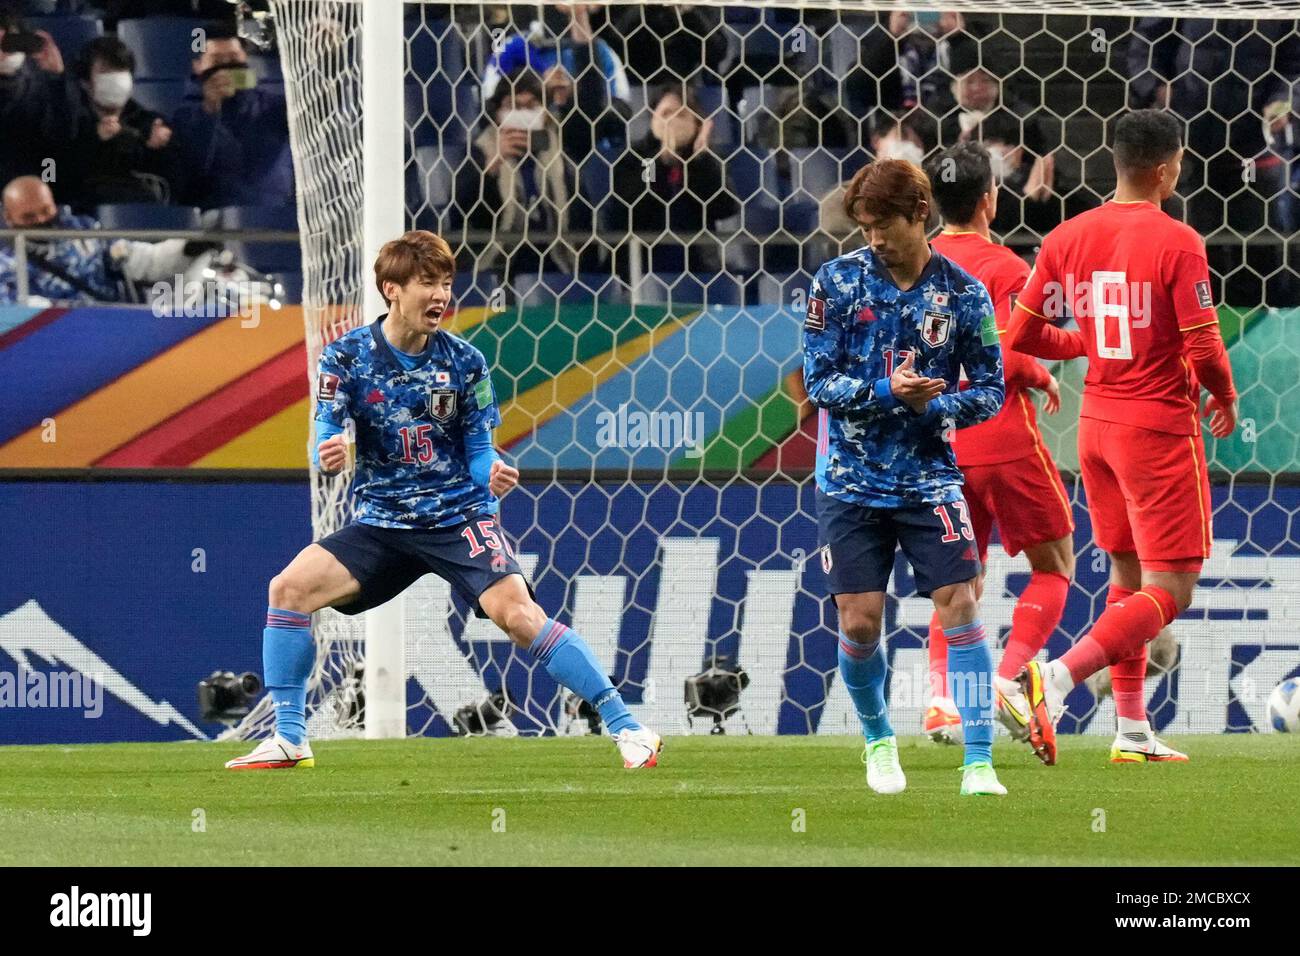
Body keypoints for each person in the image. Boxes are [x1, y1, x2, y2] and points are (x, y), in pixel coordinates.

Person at [225, 230, 662, 771]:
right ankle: (291, 737)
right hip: (383, 523)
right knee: (287, 589)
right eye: (427, 282)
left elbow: (479, 451)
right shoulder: (346, 357)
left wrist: (494, 471)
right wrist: (329, 454)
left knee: (518, 616)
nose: (440, 295)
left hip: (459, 516)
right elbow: (322, 437)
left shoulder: (466, 362)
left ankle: (629, 727)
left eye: (446, 283)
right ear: (392, 289)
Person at [1006, 109, 1239, 765]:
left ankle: (1131, 731)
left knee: (1127, 574)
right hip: (1154, 427)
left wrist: (1085, 343)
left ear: (1117, 162)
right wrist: (1223, 394)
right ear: (1168, 168)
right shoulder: (1178, 240)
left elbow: (1020, 337)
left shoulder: (1068, 235)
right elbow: (1204, 343)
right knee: (1173, 587)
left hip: (1094, 426)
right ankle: (1052, 678)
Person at [802, 158, 1006, 796]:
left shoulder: (966, 294)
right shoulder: (834, 284)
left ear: (920, 213)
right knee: (859, 623)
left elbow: (992, 389)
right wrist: (890, 391)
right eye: (863, 228)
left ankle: (979, 762)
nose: (874, 239)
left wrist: (934, 406)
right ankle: (878, 739)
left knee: (962, 606)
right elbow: (818, 382)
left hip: (931, 482)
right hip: (851, 482)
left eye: (883, 224)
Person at [922, 142, 1074, 749]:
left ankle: (940, 698)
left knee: (958, 579)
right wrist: (1052, 365)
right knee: (1057, 563)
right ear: (991, 199)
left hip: (937, 445)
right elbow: (1012, 349)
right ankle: (1007, 682)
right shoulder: (1008, 268)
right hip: (1001, 439)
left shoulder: (912, 264)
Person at [452, 69, 582, 280]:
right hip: (500, 263)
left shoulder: (559, 153)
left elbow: (579, 213)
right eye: (514, 106)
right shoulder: (479, 153)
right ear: (498, 113)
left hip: (555, 259)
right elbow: (461, 213)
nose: (523, 114)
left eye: (531, 106)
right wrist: (492, 166)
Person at [0, 175, 196, 304]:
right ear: (8, 218)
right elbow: (21, 314)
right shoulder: (5, 264)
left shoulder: (83, 229)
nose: (42, 220)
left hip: (120, 324)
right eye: (29, 217)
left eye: (46, 210)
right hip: (56, 342)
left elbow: (141, 260)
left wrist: (187, 249)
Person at [611, 83, 736, 275]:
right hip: (645, 264)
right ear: (653, 120)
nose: (672, 122)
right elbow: (631, 209)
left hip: (699, 266)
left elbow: (726, 207)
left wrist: (700, 160)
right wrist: (661, 161)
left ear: (697, 123)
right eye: (666, 114)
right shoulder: (641, 157)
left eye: (681, 115)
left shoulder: (706, 159)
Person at [169, 20, 293, 209]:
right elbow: (191, 166)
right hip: (214, 222)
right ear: (198, 66)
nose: (227, 66)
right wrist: (210, 108)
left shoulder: (272, 106)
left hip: (277, 217)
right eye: (217, 60)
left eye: (234, 58)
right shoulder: (185, 115)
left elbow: (318, 110)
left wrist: (329, 62)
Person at [64, 36, 177, 208]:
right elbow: (58, 176)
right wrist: (96, 139)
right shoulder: (70, 124)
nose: (115, 79)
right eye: (106, 71)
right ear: (86, 82)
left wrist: (157, 149)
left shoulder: (150, 122)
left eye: (121, 71)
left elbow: (173, 183)